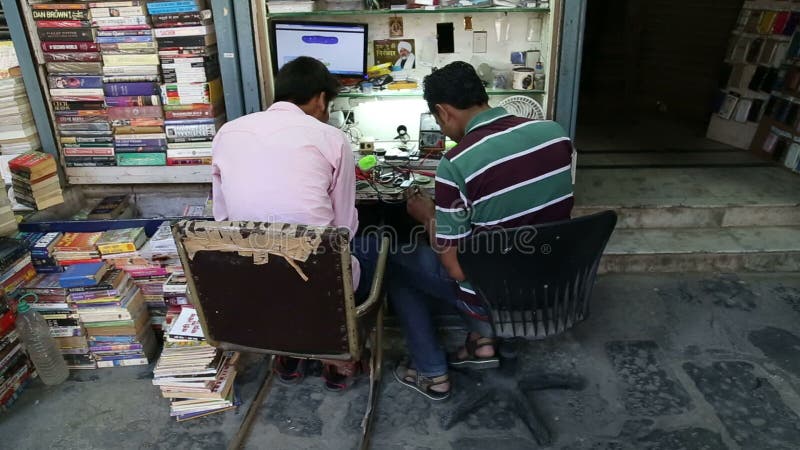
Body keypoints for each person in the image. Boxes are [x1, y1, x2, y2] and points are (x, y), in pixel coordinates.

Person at [390, 61, 574, 400]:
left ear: (444, 113)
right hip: (556, 283)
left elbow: (457, 269)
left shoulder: (457, 163)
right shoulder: (555, 133)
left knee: (397, 265)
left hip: (497, 295)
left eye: (437, 120)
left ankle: (432, 373)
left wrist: (428, 215)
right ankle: (481, 344)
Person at [211, 56, 377, 390]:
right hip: (316, 282)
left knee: (280, 262)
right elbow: (342, 229)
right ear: (320, 99)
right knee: (368, 250)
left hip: (250, 277)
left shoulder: (227, 133)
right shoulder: (331, 138)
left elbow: (222, 219)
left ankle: (287, 347)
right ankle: (336, 351)